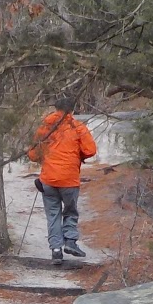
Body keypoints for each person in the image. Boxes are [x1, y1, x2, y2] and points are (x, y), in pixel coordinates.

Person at [27, 97, 98, 264]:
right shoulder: (78, 127)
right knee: (70, 211)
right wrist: (77, 156)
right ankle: (70, 241)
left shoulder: (45, 127)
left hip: (48, 179)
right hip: (69, 179)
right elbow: (90, 150)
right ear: (72, 110)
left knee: (53, 215)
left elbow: (33, 154)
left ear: (55, 108)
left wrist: (46, 158)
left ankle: (56, 250)